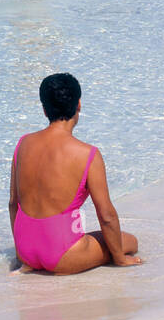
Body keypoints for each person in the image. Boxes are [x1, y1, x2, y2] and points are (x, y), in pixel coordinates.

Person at [9, 73, 141, 274]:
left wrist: (21, 253)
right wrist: (120, 259)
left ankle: (29, 259)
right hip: (62, 256)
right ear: (79, 104)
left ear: (44, 109)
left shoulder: (23, 144)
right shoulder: (87, 154)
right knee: (129, 241)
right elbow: (106, 215)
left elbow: (13, 203)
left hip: (25, 251)